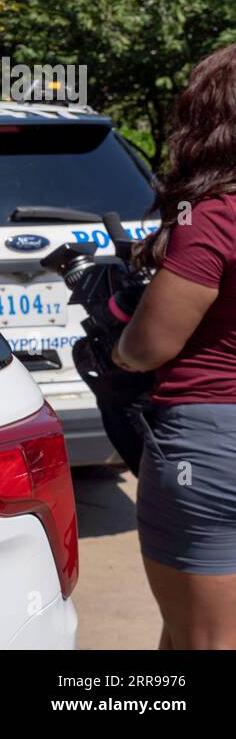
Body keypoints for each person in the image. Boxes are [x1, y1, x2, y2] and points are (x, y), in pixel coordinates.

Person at [113, 43, 236, 650]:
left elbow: (151, 343)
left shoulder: (215, 214)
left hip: (211, 445)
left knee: (204, 641)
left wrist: (119, 346)